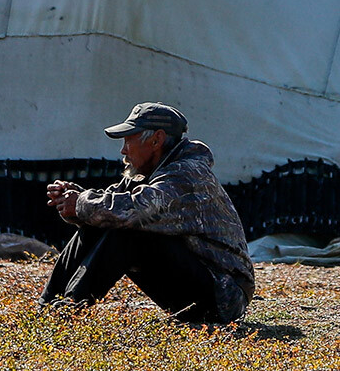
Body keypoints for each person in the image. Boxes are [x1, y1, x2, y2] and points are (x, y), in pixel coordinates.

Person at [41, 102, 255, 323]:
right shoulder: (149, 173)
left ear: (156, 139)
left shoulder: (187, 174)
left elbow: (136, 211)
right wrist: (75, 203)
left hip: (224, 295)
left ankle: (69, 311)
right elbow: (108, 207)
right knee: (104, 219)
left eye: (128, 140)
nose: (123, 150)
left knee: (129, 228)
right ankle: (47, 307)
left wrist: (81, 202)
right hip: (201, 284)